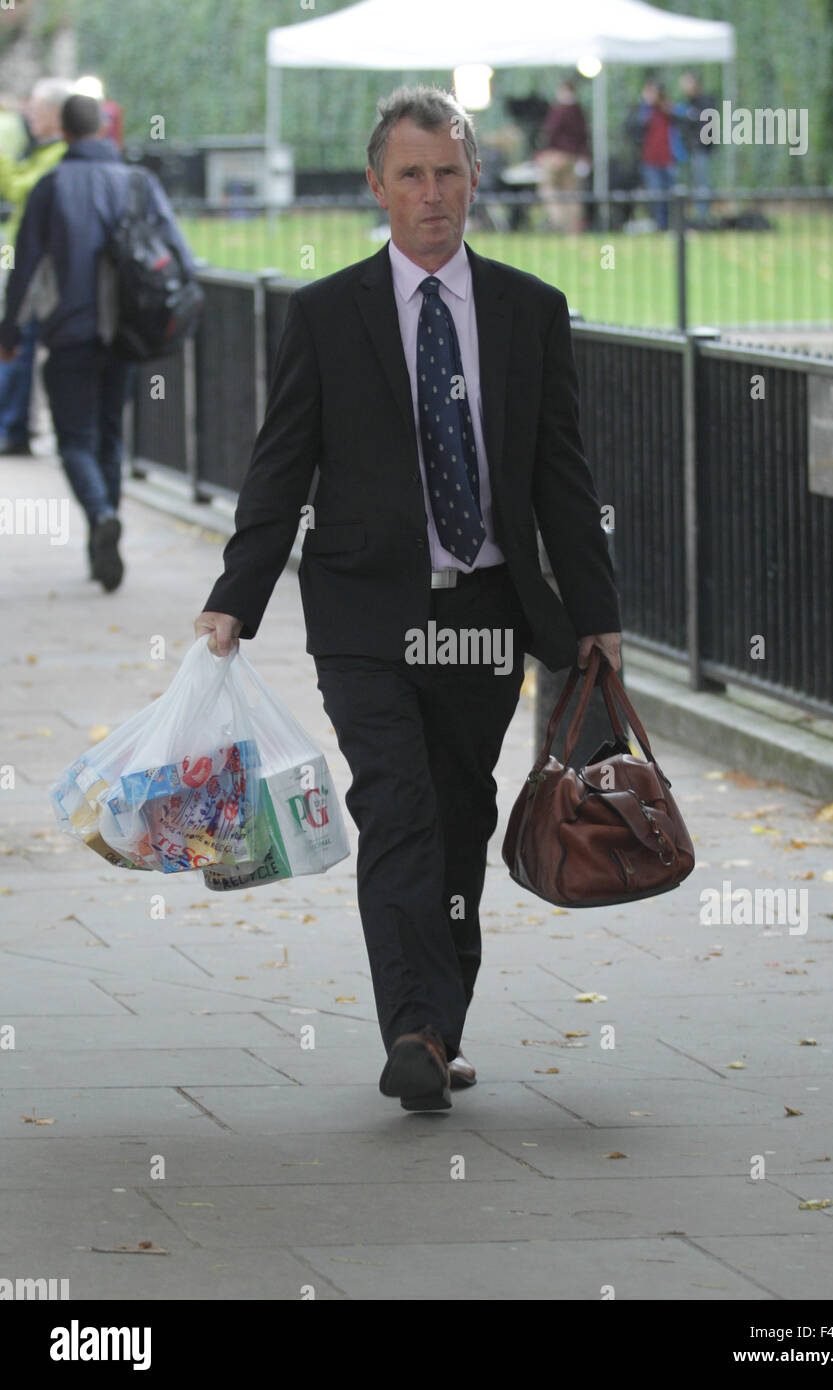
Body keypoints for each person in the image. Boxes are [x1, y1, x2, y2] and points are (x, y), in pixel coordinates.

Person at [195, 85, 623, 1113]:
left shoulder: (528, 311)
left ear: (475, 179)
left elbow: (561, 476)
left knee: (461, 813)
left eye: (449, 172)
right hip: (366, 611)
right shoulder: (327, 313)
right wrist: (232, 599)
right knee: (396, 806)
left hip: (484, 615)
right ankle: (412, 1030)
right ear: (379, 191)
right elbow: (280, 464)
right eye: (412, 176)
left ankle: (440, 1023)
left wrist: (597, 616)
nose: (433, 195)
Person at [0, 93, 195, 591]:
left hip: (70, 333)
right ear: (104, 131)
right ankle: (101, 533)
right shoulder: (139, 182)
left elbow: (24, 267)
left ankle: (100, 514)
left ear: (63, 133)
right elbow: (181, 256)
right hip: (127, 335)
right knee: (110, 435)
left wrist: (10, 331)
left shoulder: (50, 187)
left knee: (75, 441)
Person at [0, 78, 71, 456]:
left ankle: (14, 427)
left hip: (40, 269)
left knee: (19, 345)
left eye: (36, 110)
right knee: (18, 344)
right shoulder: (43, 152)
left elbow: (18, 189)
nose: (29, 116)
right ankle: (15, 427)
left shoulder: (56, 156)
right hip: (31, 262)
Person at [535, 78, 590, 234]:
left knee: (550, 192)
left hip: (555, 156)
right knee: (571, 196)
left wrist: (543, 152)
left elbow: (549, 133)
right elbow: (584, 136)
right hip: (573, 158)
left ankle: (557, 224)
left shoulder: (558, 110)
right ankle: (572, 230)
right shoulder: (579, 111)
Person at [627, 80, 677, 231]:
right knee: (656, 195)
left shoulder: (667, 109)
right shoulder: (642, 111)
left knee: (672, 196)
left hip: (669, 159)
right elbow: (634, 128)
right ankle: (661, 226)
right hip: (650, 160)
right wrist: (646, 105)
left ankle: (672, 226)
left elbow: (679, 119)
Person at [673, 72, 718, 225]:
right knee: (695, 185)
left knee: (702, 184)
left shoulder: (704, 103)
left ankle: (703, 217)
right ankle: (698, 216)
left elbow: (706, 127)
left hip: (701, 149)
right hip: (691, 150)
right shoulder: (688, 103)